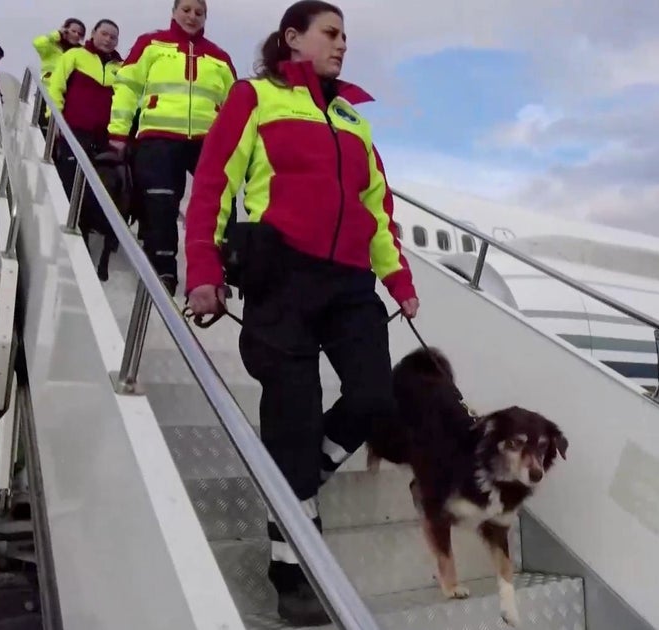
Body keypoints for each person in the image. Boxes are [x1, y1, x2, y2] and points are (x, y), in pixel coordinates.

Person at [183, 1, 418, 623]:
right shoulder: (254, 97)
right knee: (292, 413)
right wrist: (204, 270)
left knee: (373, 399)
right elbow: (211, 184)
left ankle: (300, 472)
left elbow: (377, 207)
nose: (343, 44)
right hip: (279, 273)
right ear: (294, 38)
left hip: (348, 283)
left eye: (346, 35)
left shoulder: (351, 119)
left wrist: (399, 279)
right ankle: (289, 572)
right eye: (330, 33)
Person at [107, 0, 237, 296]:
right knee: (160, 204)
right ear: (174, 12)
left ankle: (219, 271)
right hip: (159, 136)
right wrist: (118, 132)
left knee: (220, 204)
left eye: (199, 12)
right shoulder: (150, 44)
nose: (192, 17)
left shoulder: (219, 57)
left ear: (206, 17)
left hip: (207, 141)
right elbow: (127, 88)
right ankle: (163, 271)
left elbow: (235, 106)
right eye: (187, 10)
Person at [48, 19, 124, 279]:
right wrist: (53, 118)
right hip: (74, 129)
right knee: (69, 179)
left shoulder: (121, 68)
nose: (109, 40)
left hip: (104, 137)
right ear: (94, 34)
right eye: (104, 34)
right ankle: (67, 235)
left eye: (114, 37)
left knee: (106, 183)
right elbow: (56, 85)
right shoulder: (76, 55)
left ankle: (97, 232)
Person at [33, 18, 87, 130]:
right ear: (66, 30)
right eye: (73, 31)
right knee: (44, 127)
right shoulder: (52, 47)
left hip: (67, 95)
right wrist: (57, 34)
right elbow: (38, 43)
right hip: (47, 93)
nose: (76, 35)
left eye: (80, 33)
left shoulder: (82, 53)